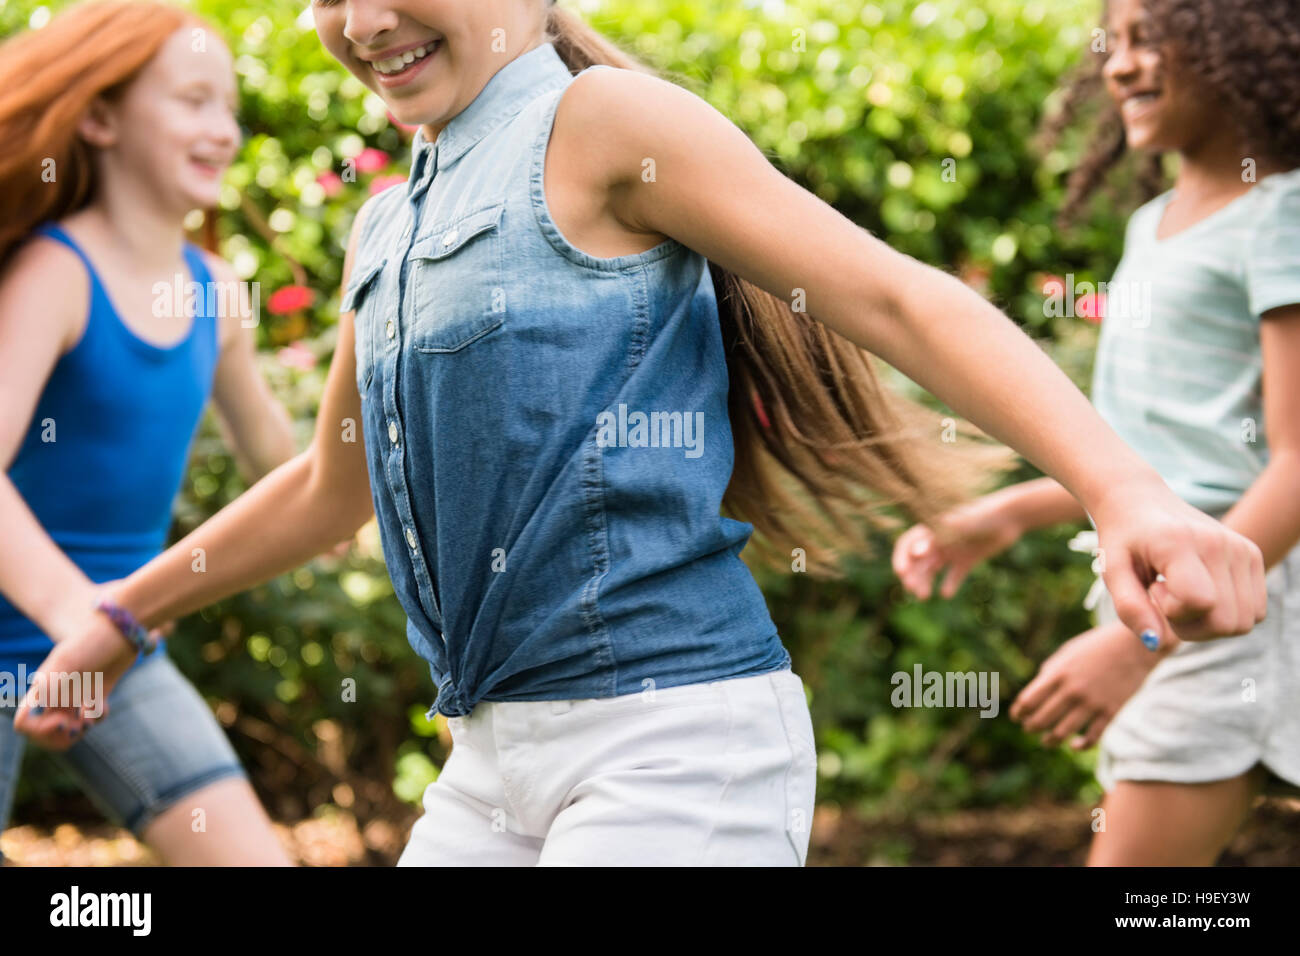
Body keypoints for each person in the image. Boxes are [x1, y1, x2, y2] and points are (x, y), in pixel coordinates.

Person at [19, 0, 1267, 866]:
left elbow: (894, 296)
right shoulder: (382, 229)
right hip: (489, 760)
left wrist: (1124, 492)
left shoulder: (605, 124)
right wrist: (124, 615)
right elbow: (323, 490)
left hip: (671, 742)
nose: (364, 22)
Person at [893, 0, 1300, 865]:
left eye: (1150, 37)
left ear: (1239, 44)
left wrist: (1141, 643)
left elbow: (1296, 460)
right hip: (1168, 594)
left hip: (1230, 607)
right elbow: (1148, 463)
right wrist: (1005, 516)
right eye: (1112, 43)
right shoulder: (1151, 228)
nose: (1118, 65)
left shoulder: (1283, 215)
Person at [0, 0, 296, 864]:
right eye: (193, 100)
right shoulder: (56, 273)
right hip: (85, 626)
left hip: (113, 651)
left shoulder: (214, 292)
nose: (224, 130)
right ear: (99, 117)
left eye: (231, 108)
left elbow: (282, 463)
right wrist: (80, 615)